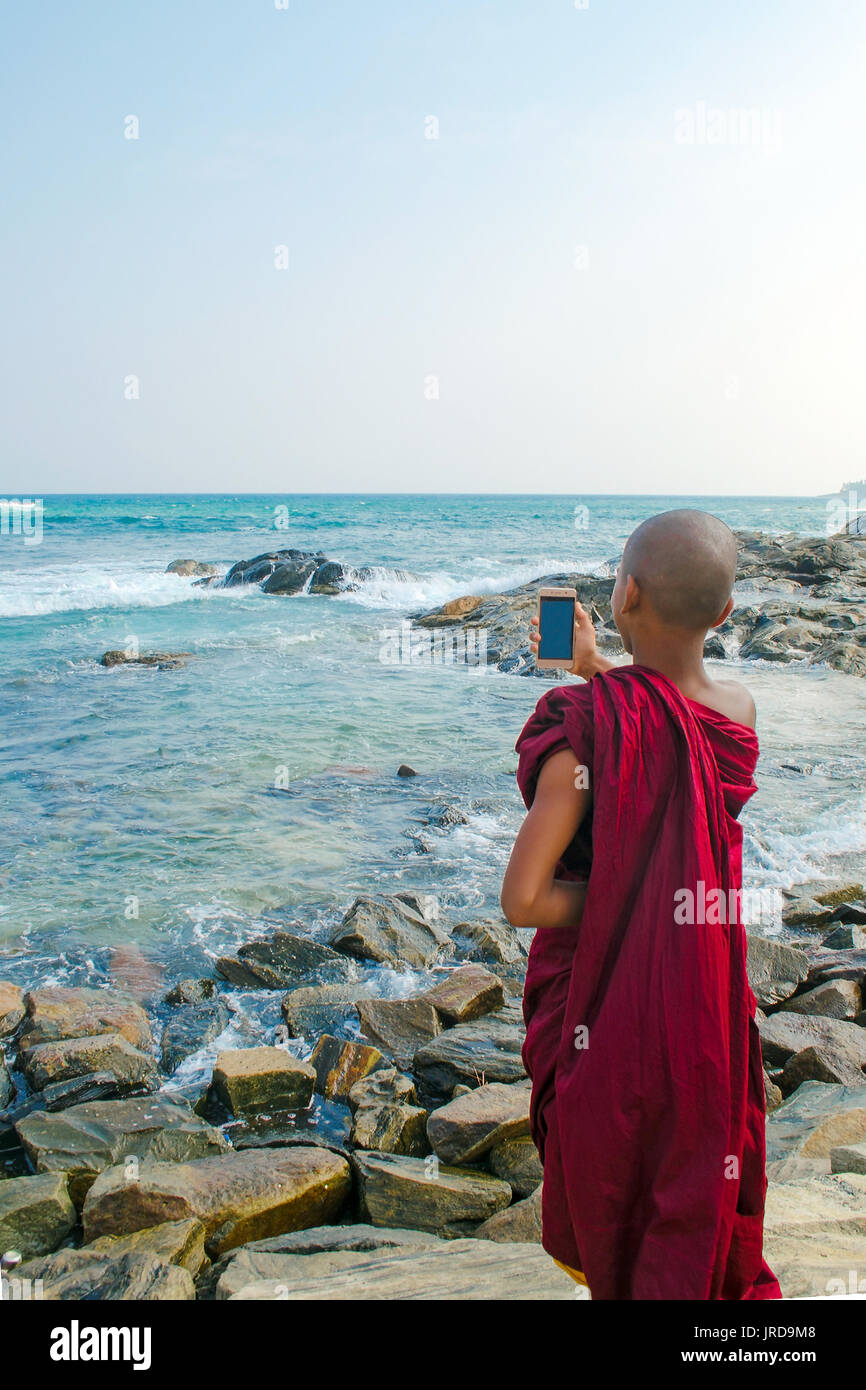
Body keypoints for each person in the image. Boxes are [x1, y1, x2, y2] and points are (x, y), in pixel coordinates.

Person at [500, 509, 781, 1300]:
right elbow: (672, 733)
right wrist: (597, 671)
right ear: (723, 615)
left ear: (623, 595)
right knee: (689, 1164)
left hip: (609, 1008)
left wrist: (590, 676)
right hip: (704, 1000)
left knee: (618, 1165)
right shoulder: (739, 713)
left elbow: (523, 899)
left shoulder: (583, 728)